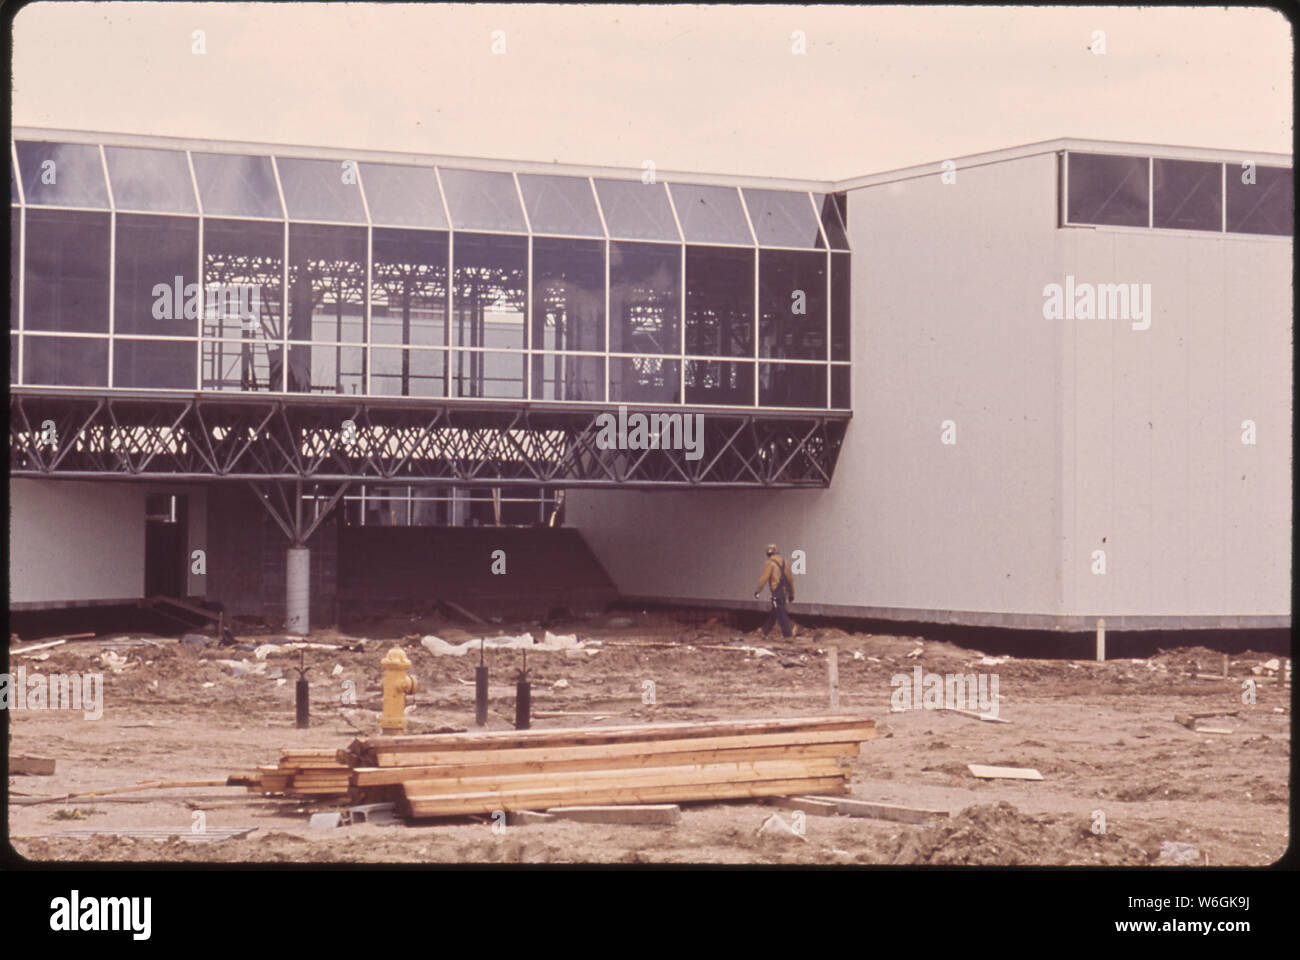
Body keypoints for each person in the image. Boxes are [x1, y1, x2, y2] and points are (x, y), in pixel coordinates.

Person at [753, 543, 795, 639]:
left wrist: (758, 591)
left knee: (781, 613)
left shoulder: (769, 563)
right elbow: (790, 580)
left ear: (768, 554)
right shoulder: (785, 562)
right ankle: (764, 632)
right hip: (784, 591)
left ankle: (788, 635)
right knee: (776, 611)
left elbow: (764, 578)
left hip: (776, 591)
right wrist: (791, 594)